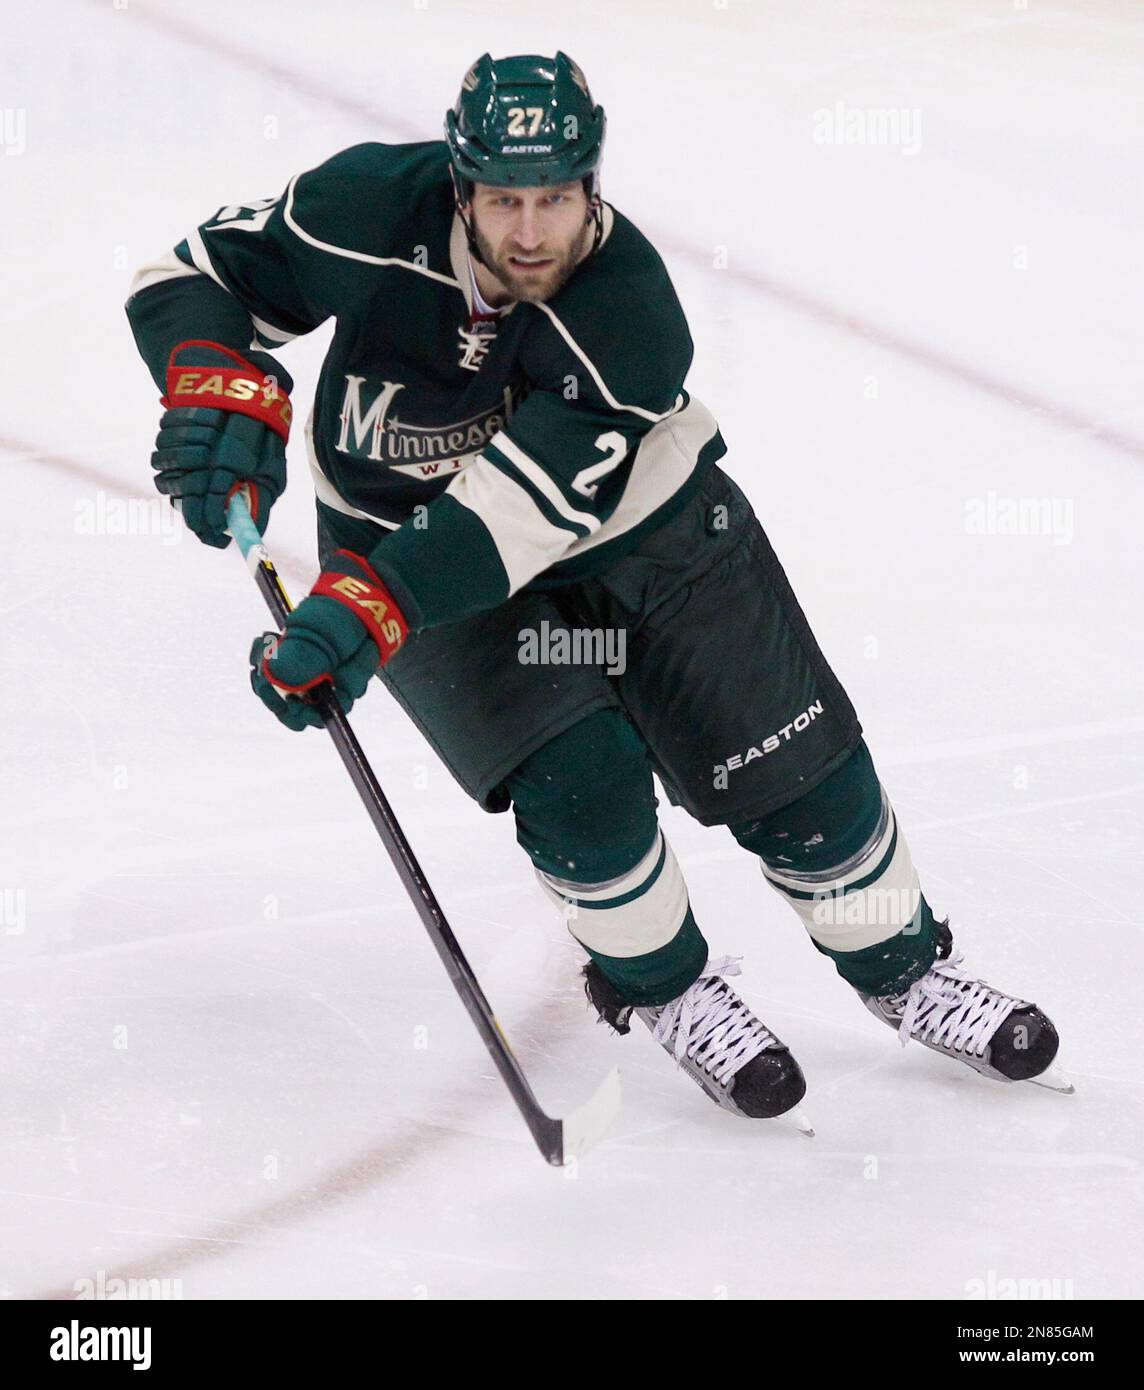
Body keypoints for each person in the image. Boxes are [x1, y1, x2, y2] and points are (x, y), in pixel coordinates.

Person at [126, 52, 1065, 1123]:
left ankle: (905, 968)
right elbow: (193, 273)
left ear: (592, 184)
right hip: (411, 549)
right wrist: (217, 375)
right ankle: (666, 989)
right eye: (504, 199)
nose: (531, 232)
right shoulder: (362, 206)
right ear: (458, 180)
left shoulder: (631, 314)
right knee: (582, 782)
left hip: (641, 536)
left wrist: (369, 610)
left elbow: (519, 509)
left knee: (801, 775)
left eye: (557, 200)